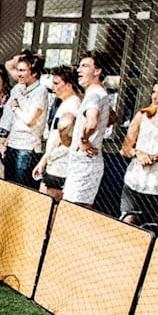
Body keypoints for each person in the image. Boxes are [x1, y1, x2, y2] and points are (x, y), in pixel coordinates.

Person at [118, 80, 158, 229]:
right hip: (137, 177)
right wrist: (137, 153)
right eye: (153, 92)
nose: (155, 96)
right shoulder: (143, 115)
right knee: (128, 220)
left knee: (152, 225)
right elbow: (125, 147)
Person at [62, 50, 112, 209]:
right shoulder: (99, 93)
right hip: (84, 163)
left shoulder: (94, 95)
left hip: (85, 162)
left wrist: (84, 139)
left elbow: (92, 122)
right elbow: (113, 117)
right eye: (80, 66)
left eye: (85, 66)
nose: (79, 70)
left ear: (97, 71)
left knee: (74, 210)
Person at [32, 65, 80, 202]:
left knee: (49, 203)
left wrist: (61, 141)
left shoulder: (73, 104)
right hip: (53, 161)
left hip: (61, 165)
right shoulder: (64, 104)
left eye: (57, 83)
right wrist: (44, 160)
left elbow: (66, 128)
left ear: (69, 85)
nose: (53, 87)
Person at [0, 51, 47, 184]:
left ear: (34, 73)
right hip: (13, 144)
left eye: (23, 70)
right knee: (8, 183)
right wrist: (6, 143)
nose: (18, 74)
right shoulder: (19, 88)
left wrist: (15, 108)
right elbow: (17, 122)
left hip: (27, 147)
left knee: (21, 185)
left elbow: (30, 120)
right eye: (18, 70)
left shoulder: (40, 91)